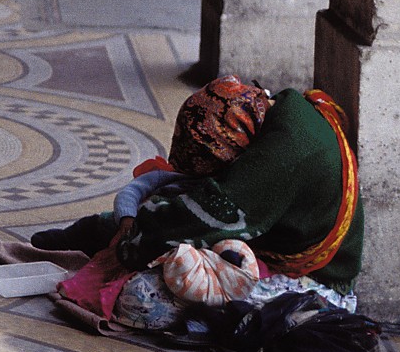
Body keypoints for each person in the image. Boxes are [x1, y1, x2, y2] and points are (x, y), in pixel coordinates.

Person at [34, 75, 365, 306]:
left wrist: (131, 240)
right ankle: (91, 231)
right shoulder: (272, 110)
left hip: (317, 283)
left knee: (144, 296)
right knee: (166, 217)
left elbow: (207, 212)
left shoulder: (283, 153)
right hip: (277, 234)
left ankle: (96, 234)